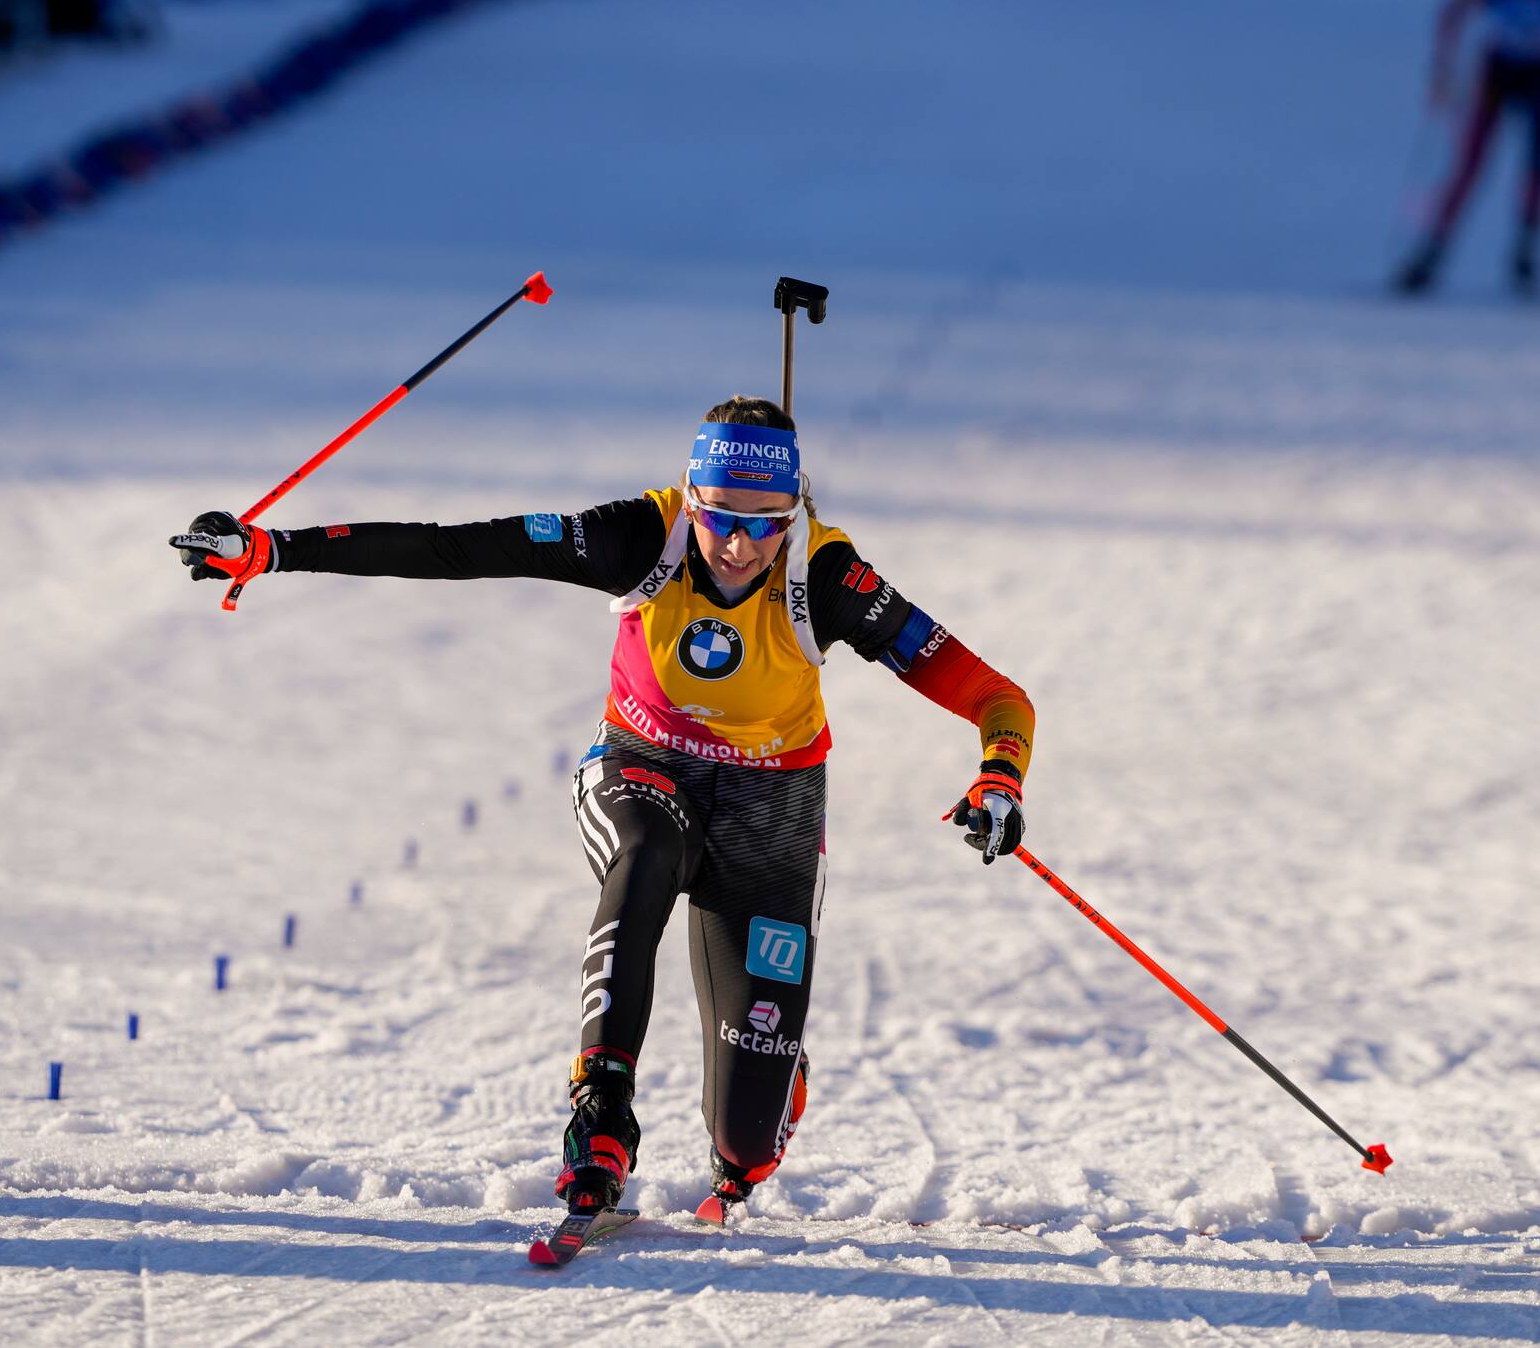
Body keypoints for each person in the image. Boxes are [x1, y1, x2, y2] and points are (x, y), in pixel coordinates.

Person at [169, 396, 1036, 1217]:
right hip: (642, 765)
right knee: (647, 847)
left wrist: (999, 776)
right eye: (719, 516)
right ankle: (602, 1111)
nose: (737, 545)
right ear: (689, 496)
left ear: (793, 513)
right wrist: (271, 549)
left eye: (763, 524)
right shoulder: (638, 536)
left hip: (771, 806)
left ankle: (761, 1093)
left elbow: (997, 695)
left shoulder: (830, 575)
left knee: (746, 1144)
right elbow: (458, 547)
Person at [1394, 0, 1540, 296]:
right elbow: (1454, 9)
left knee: (1538, 166)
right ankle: (1429, 258)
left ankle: (1525, 263)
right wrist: (1442, 69)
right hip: (1499, 73)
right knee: (1469, 166)